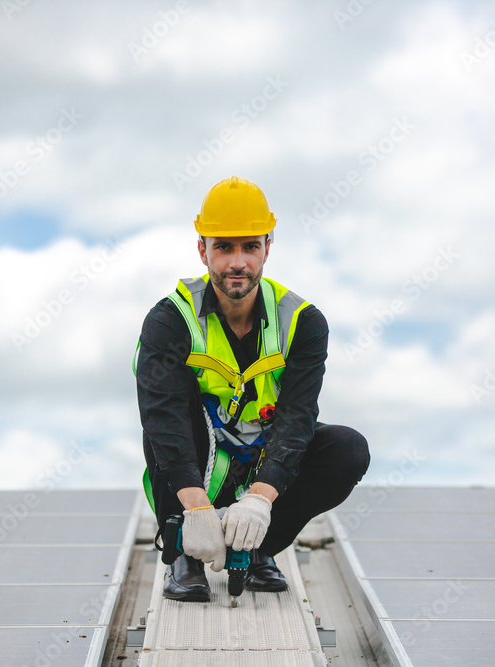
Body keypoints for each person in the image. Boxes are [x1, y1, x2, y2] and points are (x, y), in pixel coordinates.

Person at [134, 175, 370, 602]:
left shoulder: (302, 322)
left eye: (250, 247)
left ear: (267, 247)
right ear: (202, 249)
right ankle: (184, 553)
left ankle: (257, 547)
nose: (237, 262)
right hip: (197, 471)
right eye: (223, 247)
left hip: (261, 469)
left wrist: (260, 501)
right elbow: (162, 419)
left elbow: (298, 418)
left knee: (347, 449)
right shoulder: (170, 320)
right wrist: (197, 509)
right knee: (165, 423)